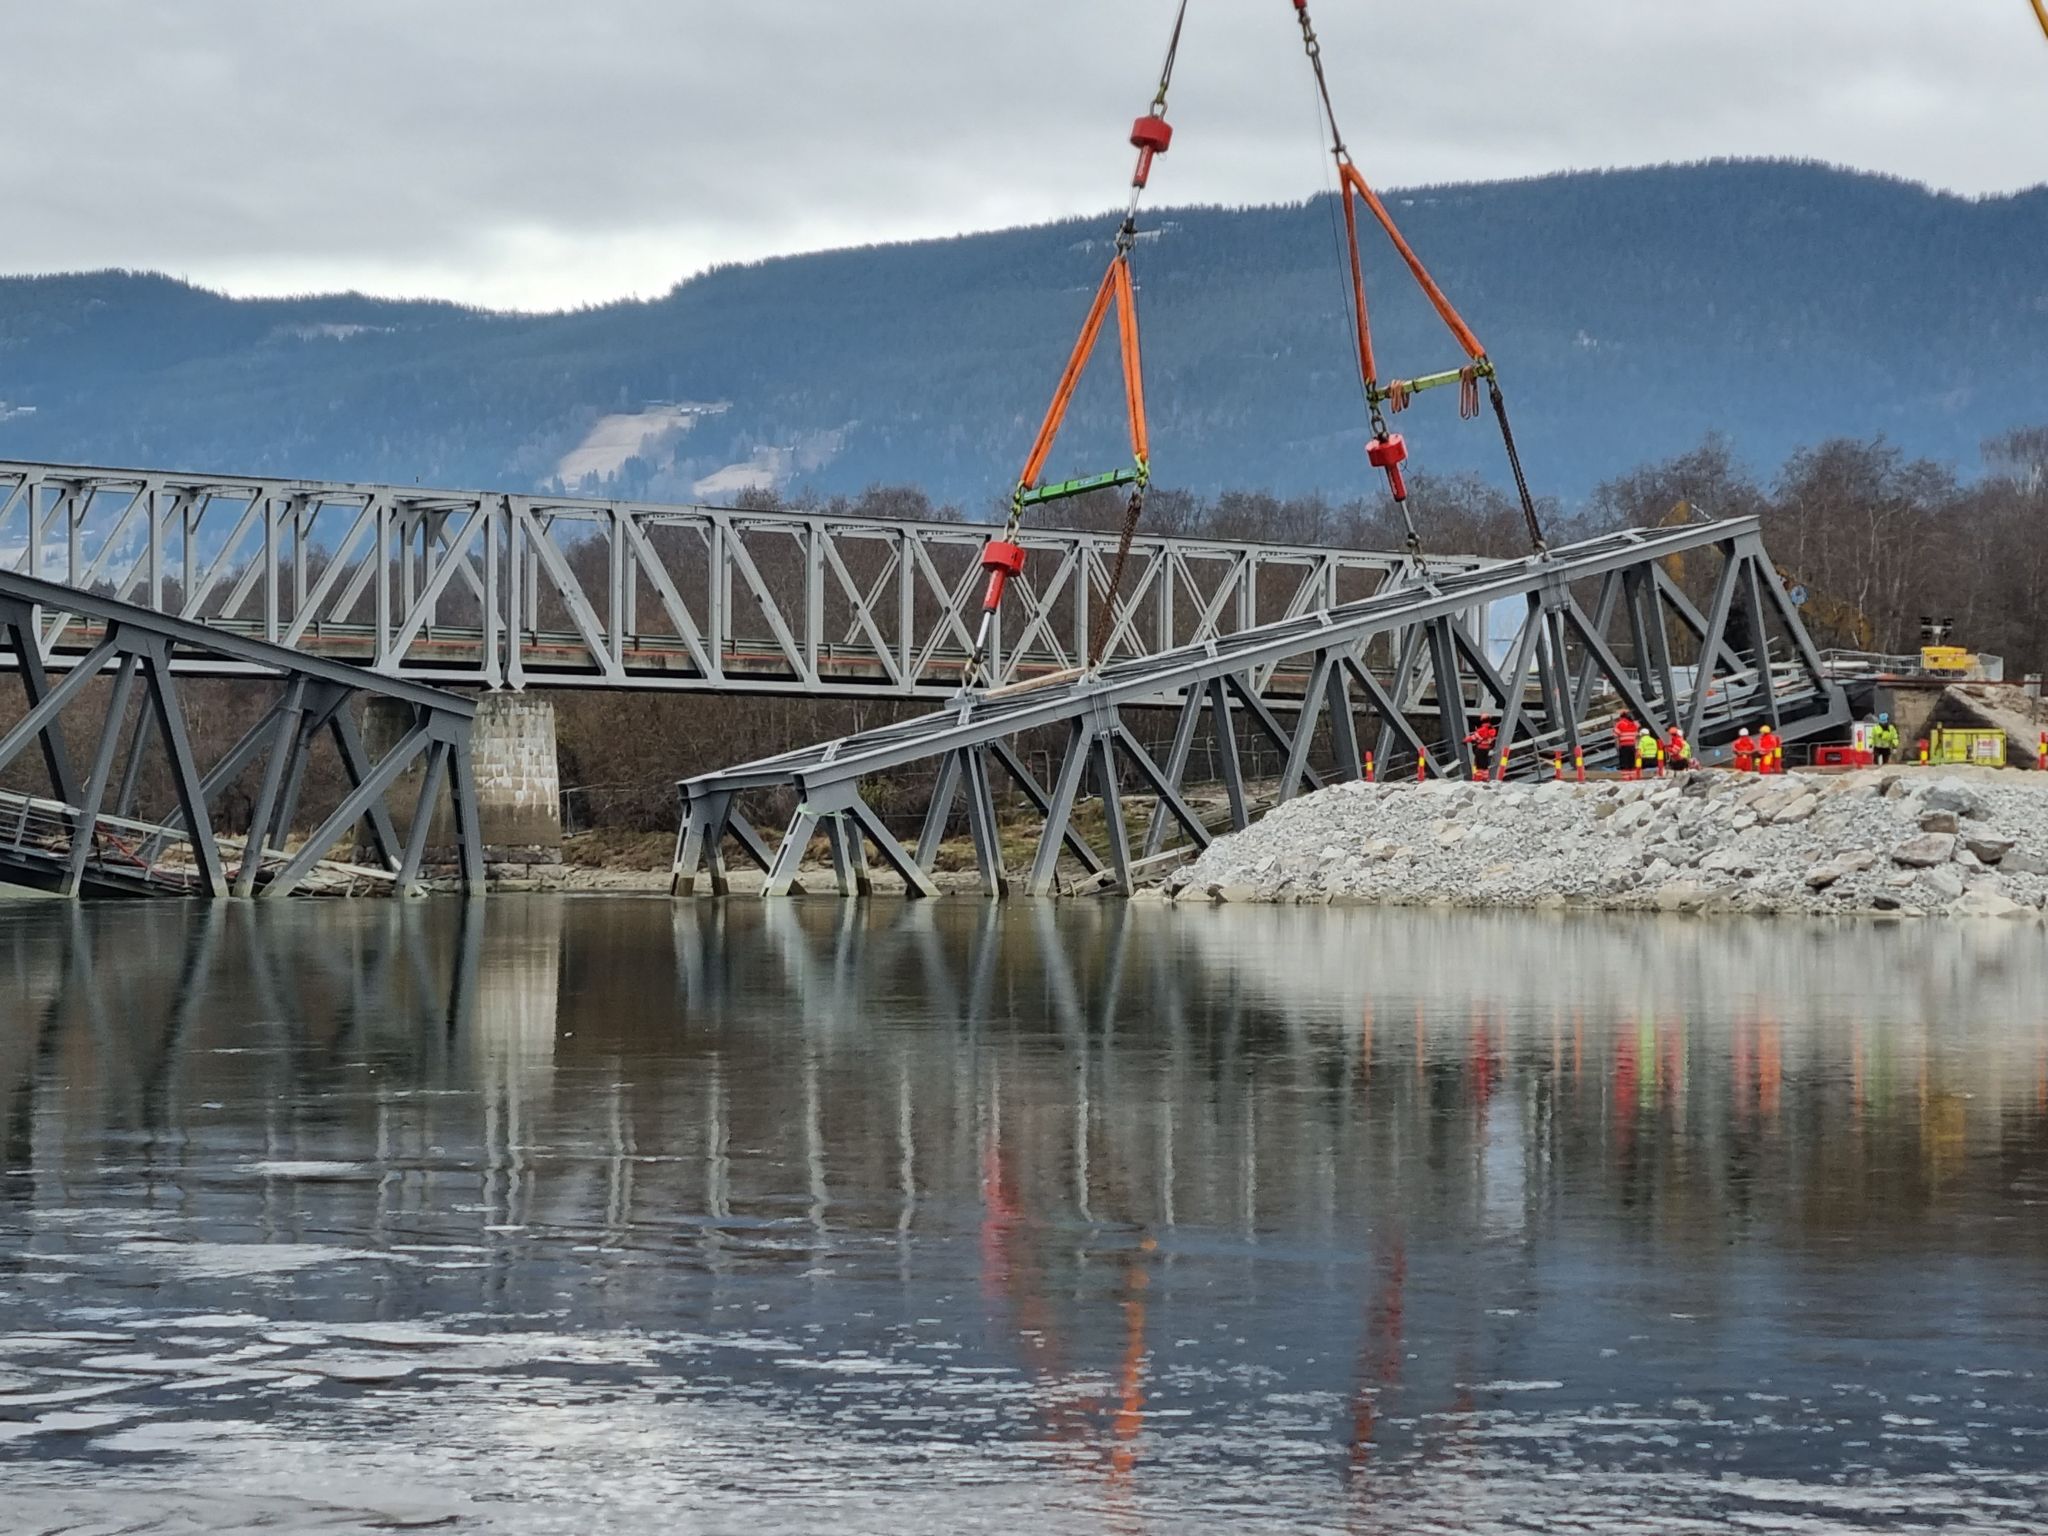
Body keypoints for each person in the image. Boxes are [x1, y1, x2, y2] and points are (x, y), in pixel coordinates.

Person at [1613, 711, 1640, 775]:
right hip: (1632, 746)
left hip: (1623, 746)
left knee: (1624, 764)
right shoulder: (1635, 724)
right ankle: (1633, 777)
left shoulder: (1619, 724)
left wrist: (1617, 748)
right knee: (1632, 763)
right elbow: (1637, 736)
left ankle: (1625, 777)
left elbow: (1616, 737)